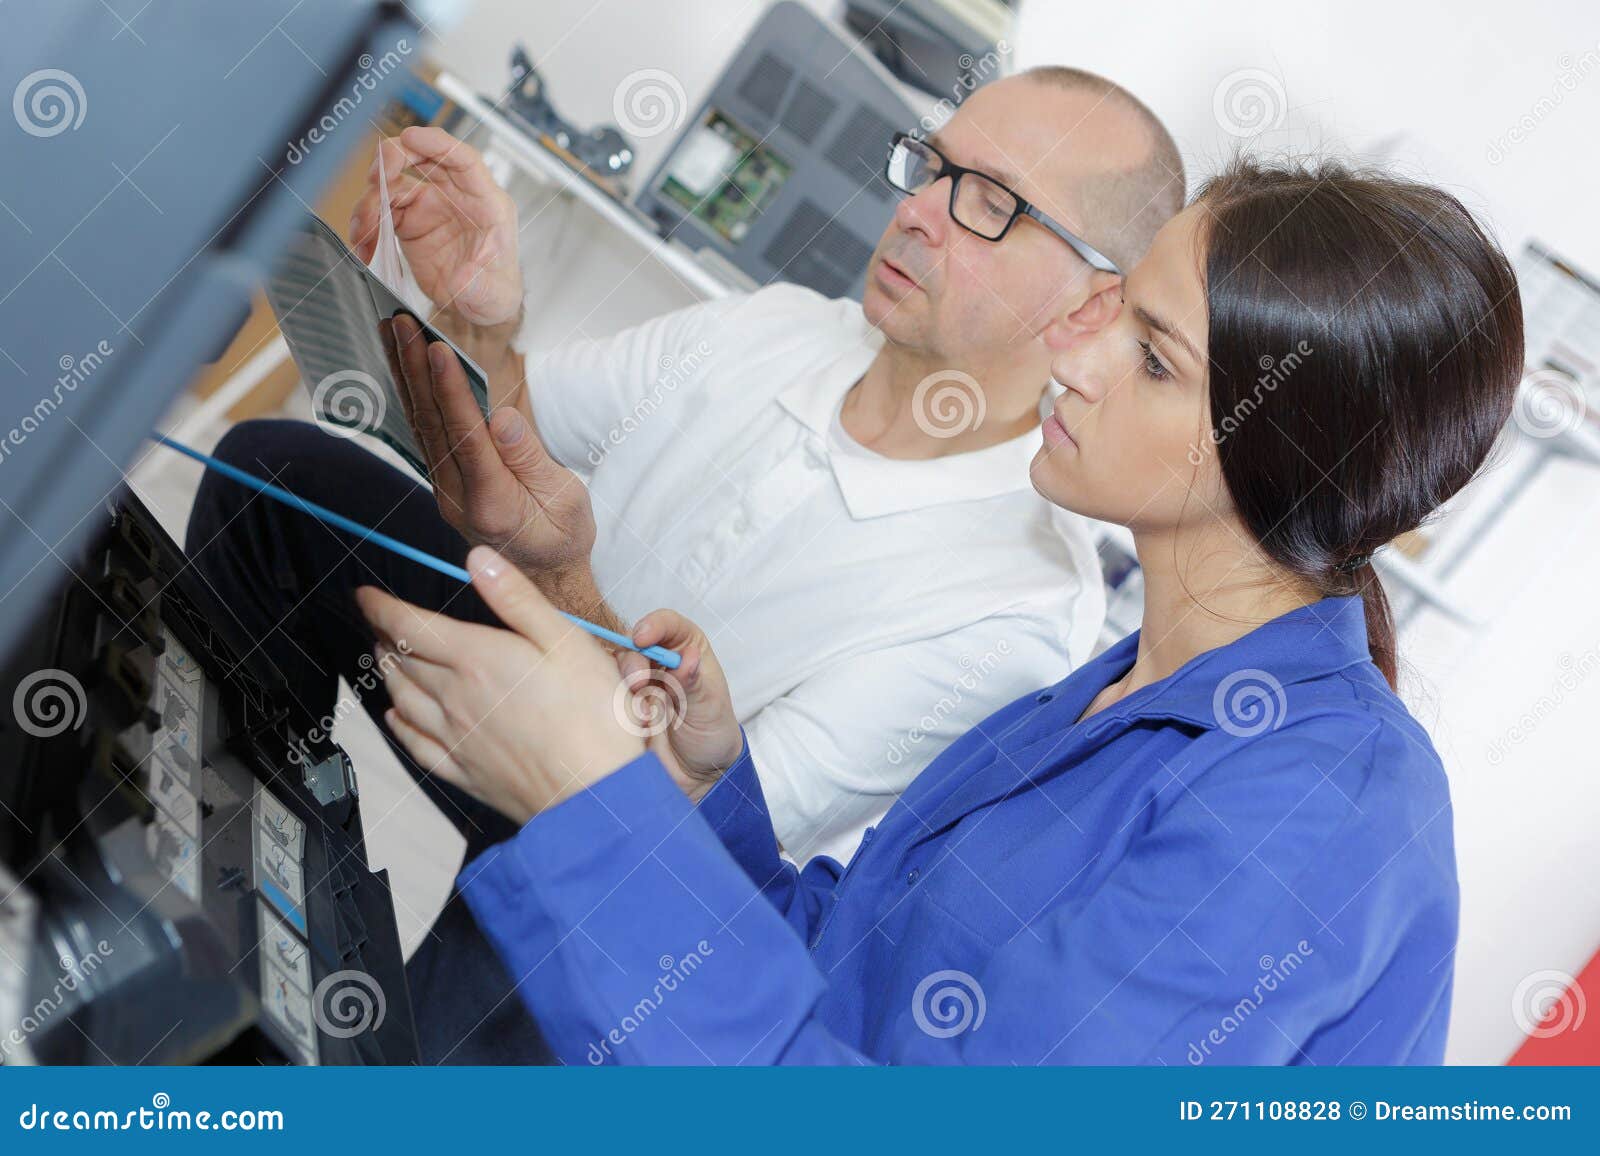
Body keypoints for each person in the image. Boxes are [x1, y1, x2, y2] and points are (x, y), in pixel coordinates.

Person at [355, 156, 1524, 1064]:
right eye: (1114, 307)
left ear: (1279, 457)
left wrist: (590, 799)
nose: (1071, 354)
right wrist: (706, 792)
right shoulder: (1111, 695)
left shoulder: (1320, 809)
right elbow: (844, 986)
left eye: (1153, 357)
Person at [187, 68, 1181, 1061]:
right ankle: (239, 916)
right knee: (275, 484)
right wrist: (479, 317)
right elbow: (522, 426)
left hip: (642, 856)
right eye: (931, 166)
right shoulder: (782, 327)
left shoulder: (1014, 606)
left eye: (991, 203)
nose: (918, 210)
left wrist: (560, 576)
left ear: (1092, 305)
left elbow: (673, 834)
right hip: (539, 664)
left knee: (542, 940)